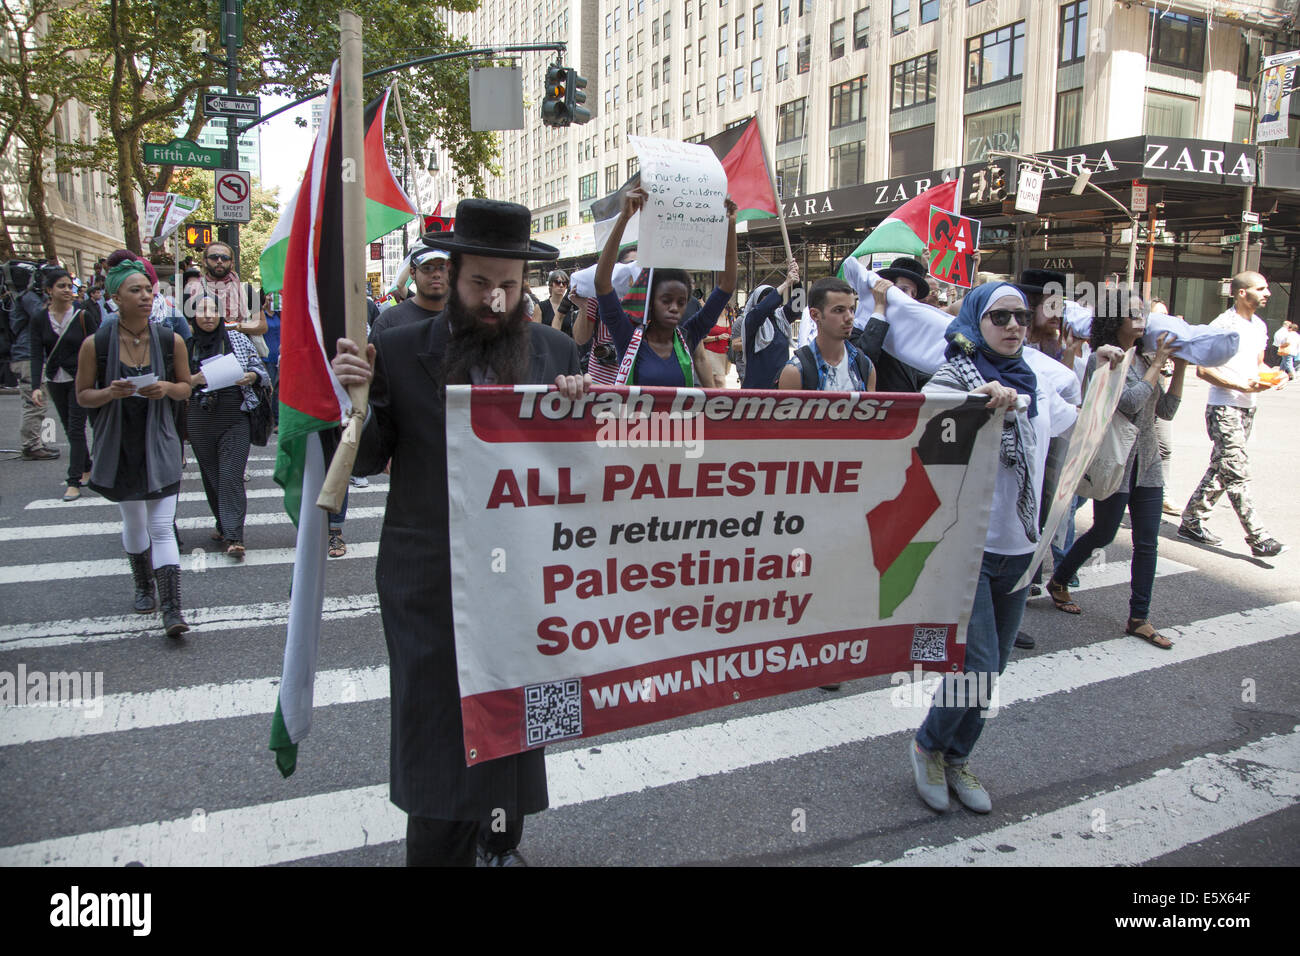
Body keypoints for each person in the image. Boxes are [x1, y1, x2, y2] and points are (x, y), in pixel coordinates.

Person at [331, 198, 590, 867]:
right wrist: (350, 403)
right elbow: (364, 461)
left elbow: (580, 474)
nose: (497, 300)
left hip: (527, 581)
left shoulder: (559, 352)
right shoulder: (394, 346)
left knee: (516, 716)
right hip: (431, 581)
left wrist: (576, 417)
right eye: (481, 283)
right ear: (452, 273)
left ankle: (501, 843)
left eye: (510, 285)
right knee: (441, 737)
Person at [909, 282, 1088, 814]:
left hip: (1021, 549)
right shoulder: (953, 378)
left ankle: (957, 755)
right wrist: (977, 404)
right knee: (980, 663)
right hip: (971, 547)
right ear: (974, 323)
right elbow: (924, 432)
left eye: (1020, 318)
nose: (1013, 326)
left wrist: (1098, 364)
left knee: (996, 668)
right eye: (999, 317)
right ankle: (926, 745)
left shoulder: (1034, 380)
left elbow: (1081, 415)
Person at [1046, 294, 1186, 648]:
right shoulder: (1102, 358)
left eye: (1144, 315)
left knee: (1147, 542)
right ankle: (1060, 578)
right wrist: (1157, 367)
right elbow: (1129, 402)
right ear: (1115, 320)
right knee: (1104, 533)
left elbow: (1164, 411)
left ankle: (1139, 617)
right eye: (1133, 315)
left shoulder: (1148, 358)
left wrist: (1180, 368)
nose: (1142, 321)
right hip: (1116, 463)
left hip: (1148, 464)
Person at [75, 260, 192, 636]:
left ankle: (172, 608)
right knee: (135, 522)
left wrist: (166, 388)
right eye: (135, 290)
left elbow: (186, 387)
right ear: (115, 299)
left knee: (161, 525)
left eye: (148, 289)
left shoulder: (168, 339)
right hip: (120, 443)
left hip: (160, 441)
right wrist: (109, 392)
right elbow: (82, 396)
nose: (145, 296)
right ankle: (144, 586)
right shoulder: (97, 343)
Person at [1179, 271, 1288, 557]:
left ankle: (1191, 520)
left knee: (1223, 467)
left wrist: (1276, 376)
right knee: (1236, 471)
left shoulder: (1260, 326)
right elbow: (1204, 369)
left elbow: (1259, 365)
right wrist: (1239, 384)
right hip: (1224, 405)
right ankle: (1259, 537)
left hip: (1247, 406)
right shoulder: (1223, 325)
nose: (1268, 293)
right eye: (1261, 289)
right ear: (1242, 292)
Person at [593, 187, 738, 386]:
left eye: (681, 302)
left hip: (680, 418)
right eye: (666, 300)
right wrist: (624, 218)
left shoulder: (688, 337)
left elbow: (726, 286)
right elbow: (602, 284)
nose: (674, 307)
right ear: (651, 301)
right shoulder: (628, 337)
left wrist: (730, 226)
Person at [186, 293, 270, 558]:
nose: (208, 315)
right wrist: (194, 379)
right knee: (212, 477)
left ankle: (234, 536)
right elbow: (175, 383)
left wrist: (252, 376)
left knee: (231, 475)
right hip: (200, 419)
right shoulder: (185, 346)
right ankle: (223, 525)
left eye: (213, 310)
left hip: (235, 416)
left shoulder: (237, 339)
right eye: (202, 311)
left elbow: (264, 374)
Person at [30, 268, 101, 500]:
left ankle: (74, 480)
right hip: (55, 380)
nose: (67, 291)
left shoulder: (82, 315)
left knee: (75, 427)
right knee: (68, 425)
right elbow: (37, 354)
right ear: (49, 290)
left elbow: (97, 347)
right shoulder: (40, 318)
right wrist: (35, 385)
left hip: (80, 380)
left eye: (69, 286)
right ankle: (88, 465)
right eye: (61, 286)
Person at [777, 276, 876, 392]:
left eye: (852, 309)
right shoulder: (795, 371)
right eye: (839, 310)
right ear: (814, 315)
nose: (849, 317)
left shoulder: (864, 365)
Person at [9, 264, 60, 460]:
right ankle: (31, 445)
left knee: (35, 401)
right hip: (27, 355)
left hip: (27, 354)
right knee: (34, 402)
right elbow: (46, 319)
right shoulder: (29, 298)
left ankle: (34, 442)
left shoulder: (27, 297)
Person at [369, 244, 450, 341]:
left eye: (442, 268)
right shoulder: (388, 321)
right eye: (427, 268)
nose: (436, 274)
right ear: (412, 273)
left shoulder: (464, 320)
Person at [740, 259, 800, 389]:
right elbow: (762, 310)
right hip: (756, 390)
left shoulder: (781, 319)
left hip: (779, 387)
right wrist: (785, 283)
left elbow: (798, 306)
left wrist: (796, 282)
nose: (770, 301)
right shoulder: (751, 320)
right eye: (765, 298)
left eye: (771, 296)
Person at [538, 269, 571, 333]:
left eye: (564, 283)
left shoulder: (571, 306)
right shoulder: (540, 307)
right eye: (557, 282)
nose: (561, 285)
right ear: (551, 284)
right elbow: (536, 332)